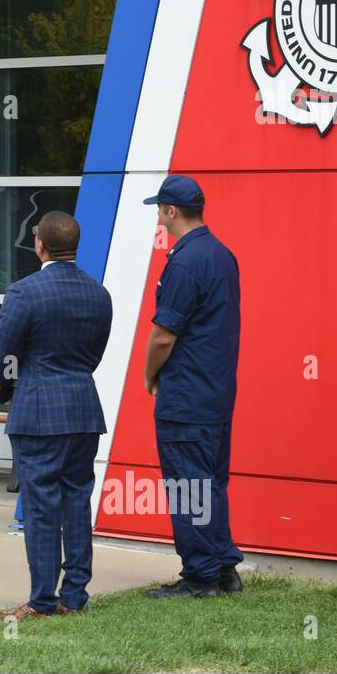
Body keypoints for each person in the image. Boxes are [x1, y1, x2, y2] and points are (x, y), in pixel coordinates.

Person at [0, 211, 112, 618]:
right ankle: (74, 597)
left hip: (39, 410)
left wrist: (10, 390)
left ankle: (43, 600)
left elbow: (4, 355)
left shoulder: (25, 292)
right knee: (77, 500)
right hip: (82, 407)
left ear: (39, 243)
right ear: (74, 246)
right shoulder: (99, 293)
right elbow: (93, 355)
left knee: (41, 506)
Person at [140, 175, 243, 599]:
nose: (160, 218)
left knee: (188, 485)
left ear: (171, 211)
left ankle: (200, 576)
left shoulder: (183, 261)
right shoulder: (222, 254)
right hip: (216, 391)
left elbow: (164, 335)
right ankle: (222, 569)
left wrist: (149, 376)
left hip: (186, 395)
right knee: (212, 482)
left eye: (160, 210)